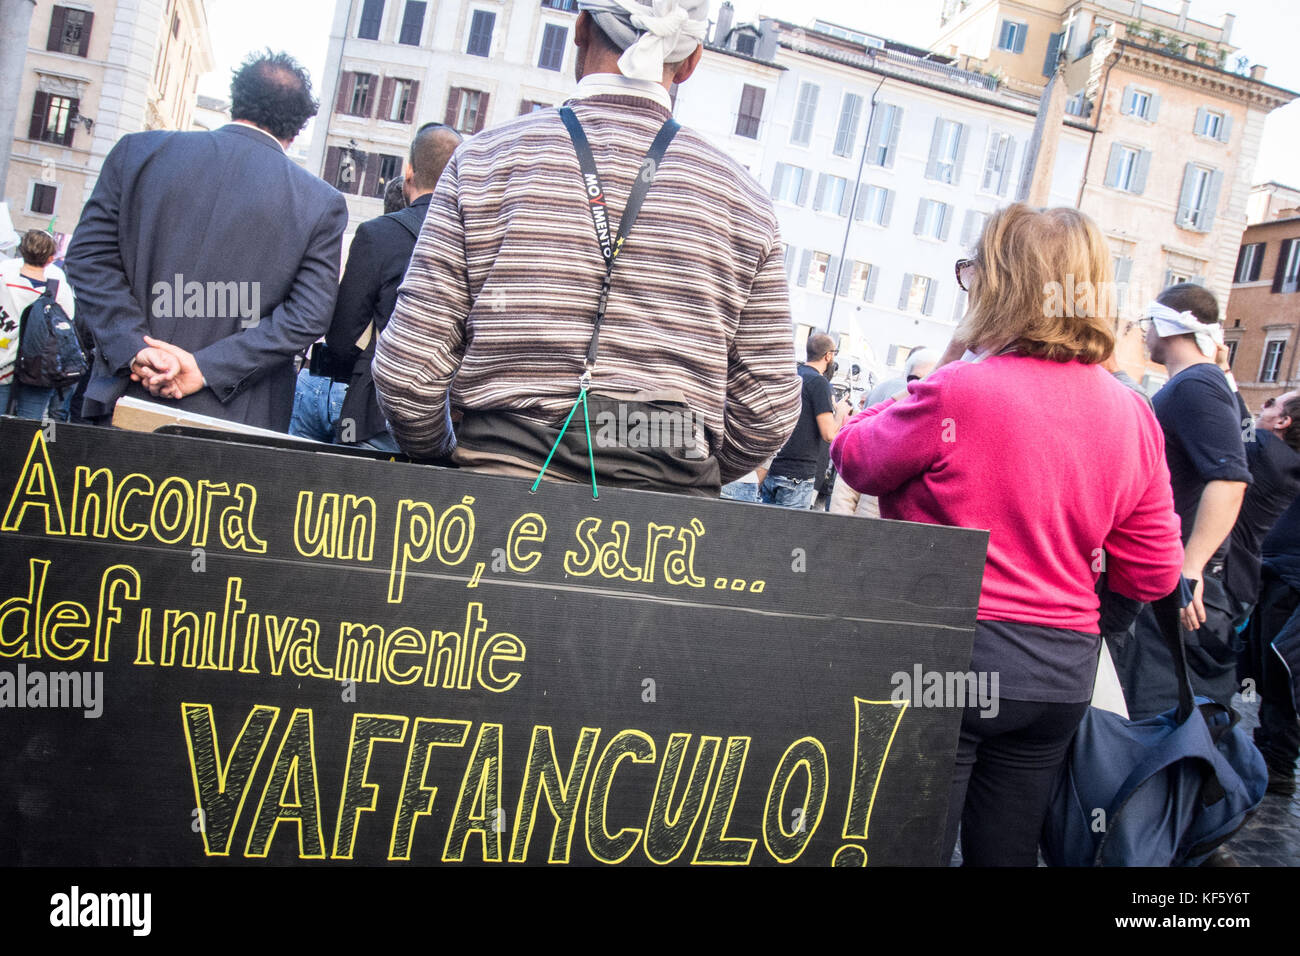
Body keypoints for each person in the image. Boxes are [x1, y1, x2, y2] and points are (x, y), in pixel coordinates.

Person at [830, 204, 1183, 866]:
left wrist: (937, 368)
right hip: (1058, 673)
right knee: (1008, 848)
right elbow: (1154, 571)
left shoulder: (960, 391)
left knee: (910, 842)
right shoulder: (1132, 413)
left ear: (997, 284)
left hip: (949, 654)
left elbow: (855, 457)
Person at [372, 0, 801, 495]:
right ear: (691, 60)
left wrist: (456, 457)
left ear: (579, 29)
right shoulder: (744, 201)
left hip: (493, 508)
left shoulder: (484, 161)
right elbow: (768, 407)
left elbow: (407, 375)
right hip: (667, 543)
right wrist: (680, 467)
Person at [64, 51, 348, 431]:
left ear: (236, 100)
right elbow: (309, 315)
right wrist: (206, 368)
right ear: (297, 128)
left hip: (122, 397)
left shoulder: (137, 153)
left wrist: (136, 349)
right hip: (235, 423)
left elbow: (87, 259)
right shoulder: (320, 202)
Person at [1112, 285, 1253, 718]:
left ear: (1168, 324)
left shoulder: (1197, 384)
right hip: (1177, 583)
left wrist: (1188, 568)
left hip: (1182, 590)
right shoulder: (1206, 382)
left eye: (1146, 324)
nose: (1143, 334)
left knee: (1160, 718)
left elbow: (1230, 479)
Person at [320, 122, 463, 451]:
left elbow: (341, 339)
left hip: (373, 414)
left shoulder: (377, 235)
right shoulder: (480, 239)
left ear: (409, 171)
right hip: (453, 422)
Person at [761, 333, 850, 508]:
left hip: (773, 469)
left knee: (765, 533)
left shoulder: (793, 375)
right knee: (790, 535)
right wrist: (840, 412)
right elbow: (829, 435)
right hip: (797, 476)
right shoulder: (819, 383)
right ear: (828, 355)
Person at [0, 230, 78, 419]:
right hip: (40, 367)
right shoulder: (59, 286)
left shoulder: (3, 275)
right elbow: (67, 322)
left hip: (3, 361)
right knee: (29, 428)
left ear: (21, 250)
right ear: (51, 258)